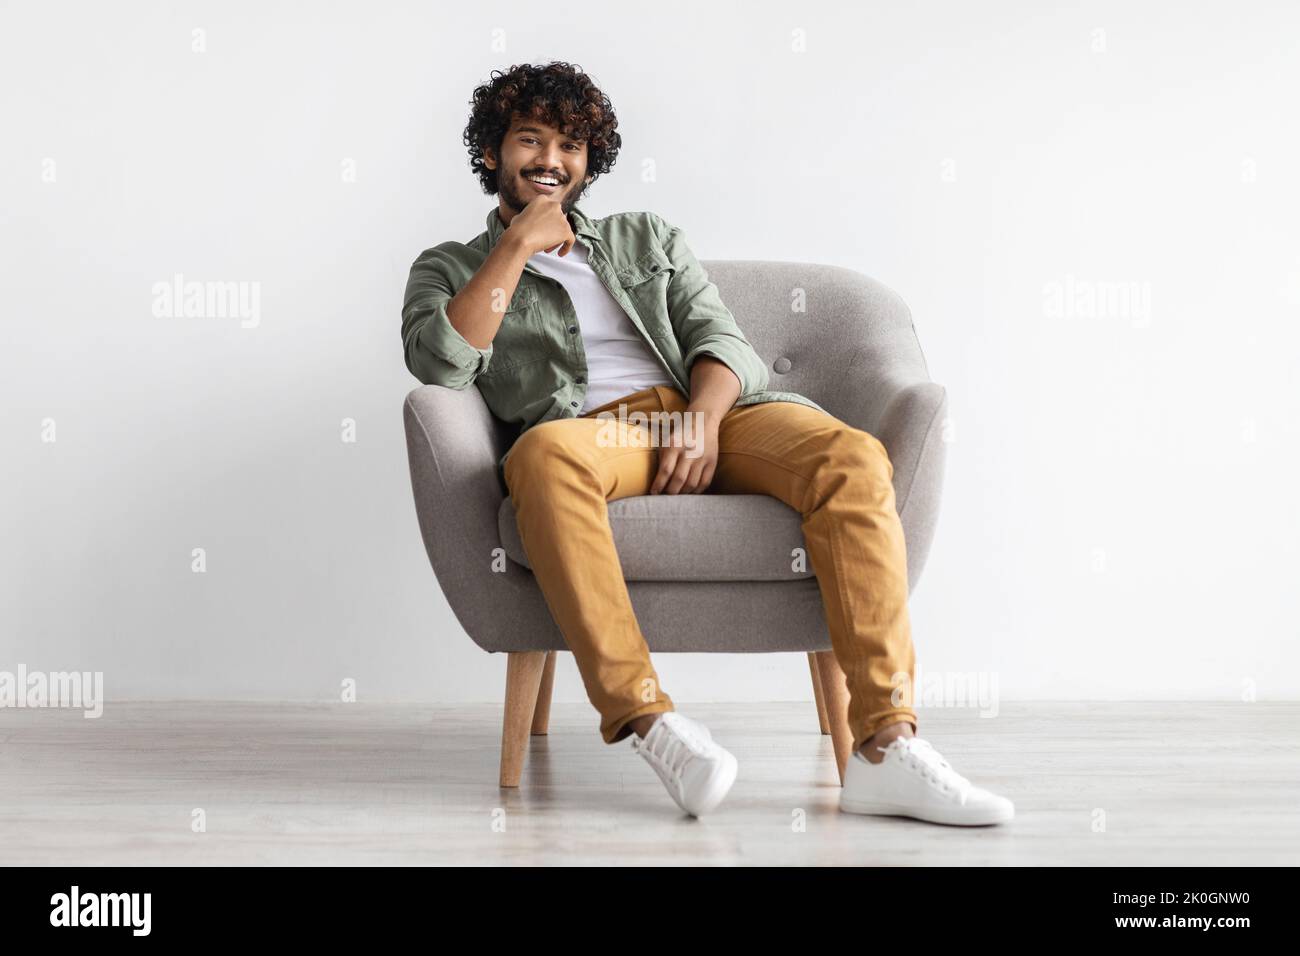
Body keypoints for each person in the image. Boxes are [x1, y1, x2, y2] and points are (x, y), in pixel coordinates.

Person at [401, 61, 1014, 826]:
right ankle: (652, 725)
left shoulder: (645, 237)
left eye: (572, 145)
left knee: (853, 456)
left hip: (713, 413)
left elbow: (720, 336)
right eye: (530, 140)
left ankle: (886, 747)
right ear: (492, 152)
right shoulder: (450, 267)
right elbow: (440, 362)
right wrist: (516, 248)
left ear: (592, 161)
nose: (552, 160)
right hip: (598, 435)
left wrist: (702, 418)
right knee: (542, 456)